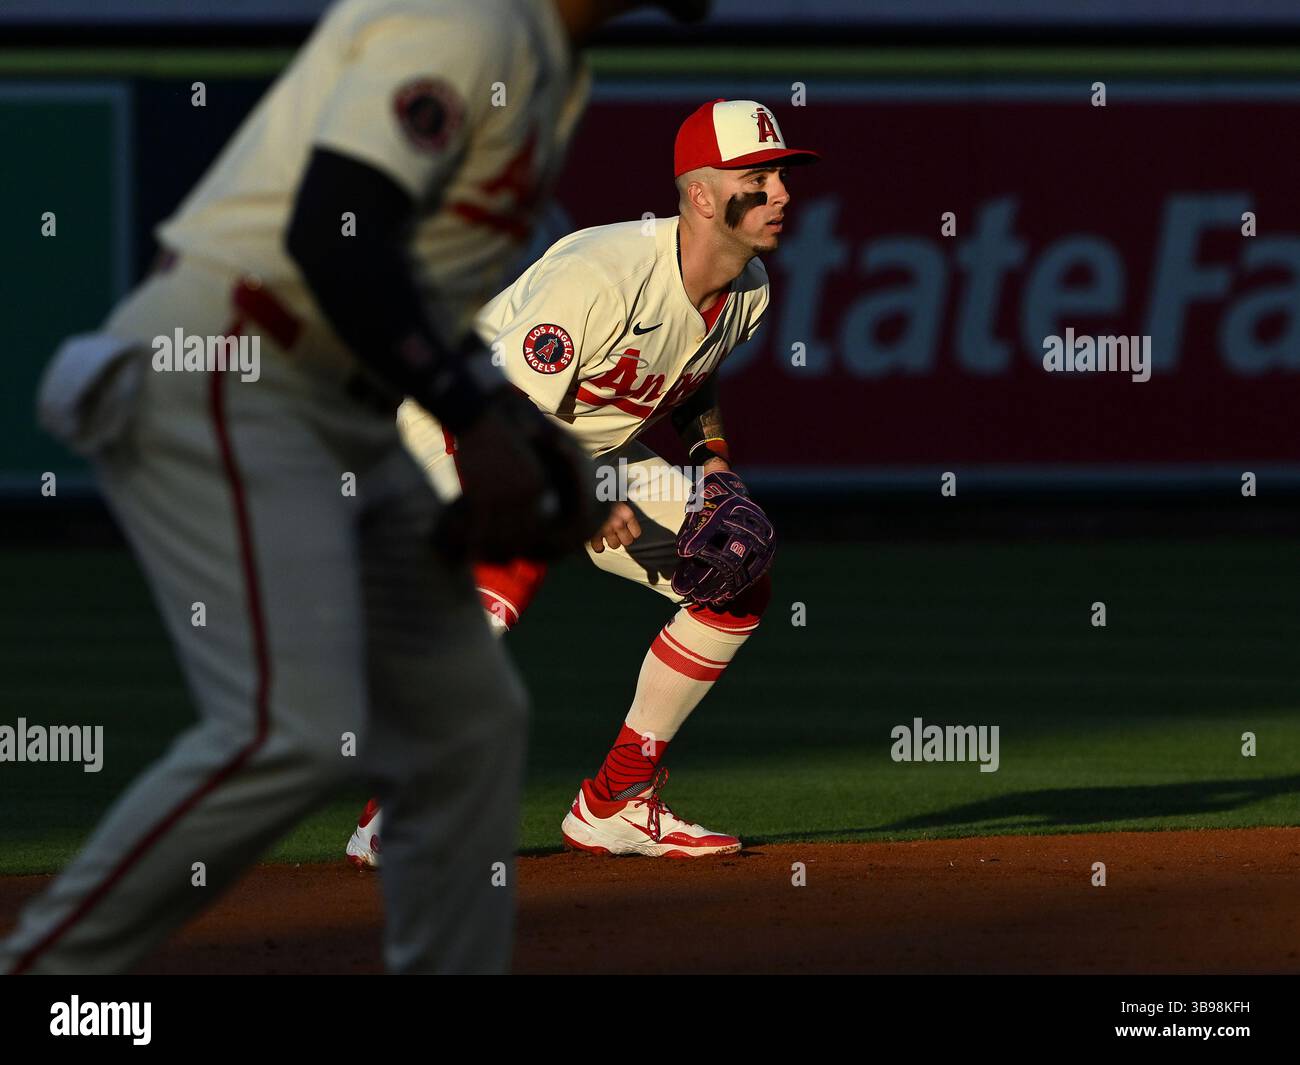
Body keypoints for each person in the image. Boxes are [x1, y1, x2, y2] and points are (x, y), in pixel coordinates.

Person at [3, 0, 704, 977]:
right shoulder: (470, 29)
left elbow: (411, 284)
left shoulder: (544, 65)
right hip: (230, 364)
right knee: (288, 730)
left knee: (470, 723)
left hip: (335, 397)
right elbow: (334, 236)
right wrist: (477, 411)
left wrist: (504, 419)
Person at [346, 98, 818, 865]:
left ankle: (617, 801)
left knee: (736, 578)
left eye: (781, 176)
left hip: (584, 449)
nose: (780, 193)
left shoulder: (751, 290)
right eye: (757, 178)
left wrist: (714, 463)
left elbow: (690, 377)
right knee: (513, 556)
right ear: (701, 196)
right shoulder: (601, 273)